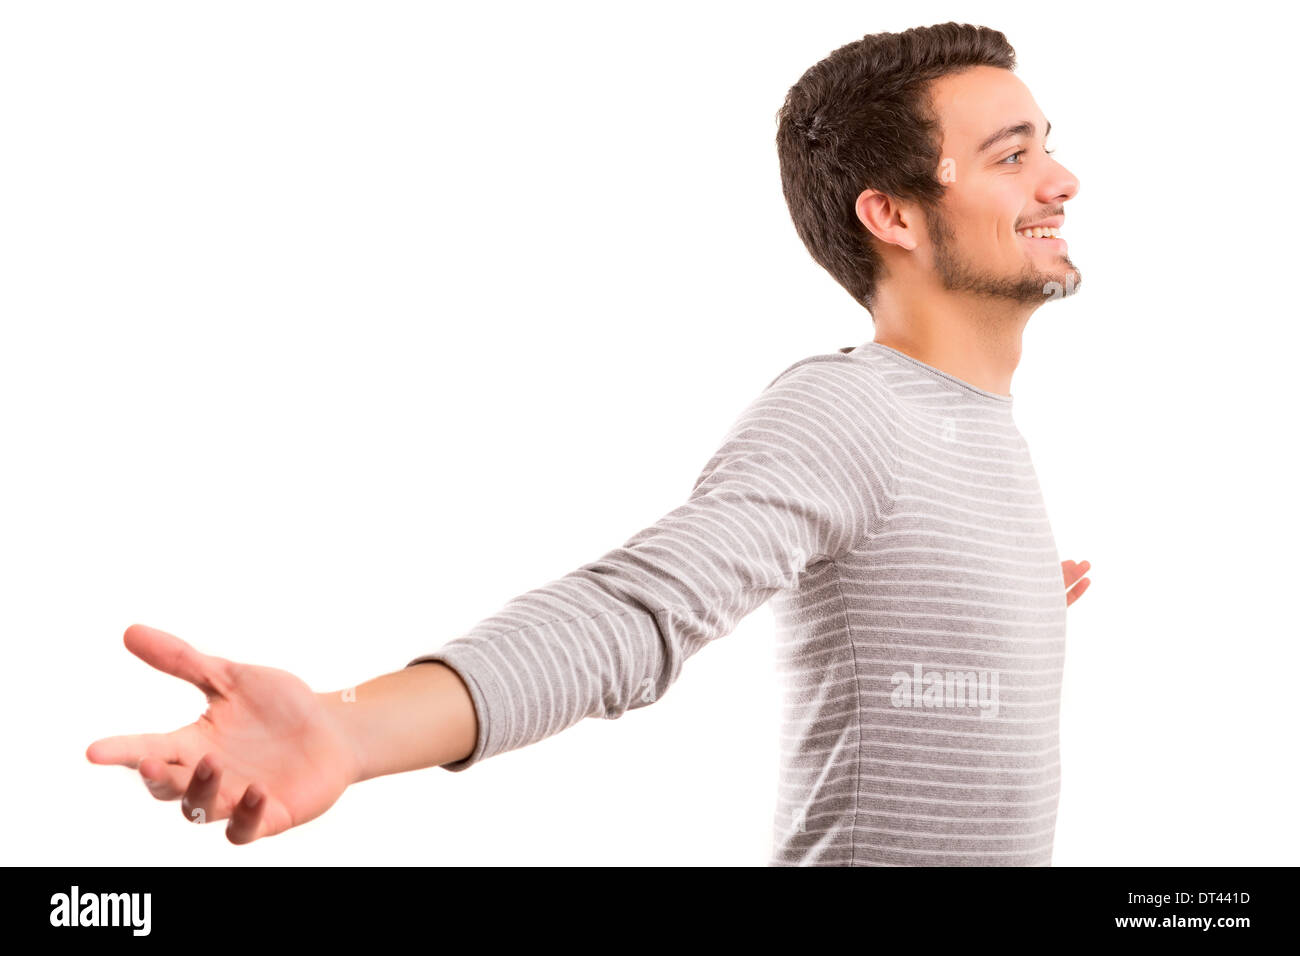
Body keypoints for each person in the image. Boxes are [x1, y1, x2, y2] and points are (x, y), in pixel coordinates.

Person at [87, 21, 1092, 864]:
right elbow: (635, 609)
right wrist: (349, 726)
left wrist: (983, 597)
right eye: (1012, 156)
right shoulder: (850, 411)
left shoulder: (968, 425)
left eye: (1046, 144)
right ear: (893, 214)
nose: (1063, 179)